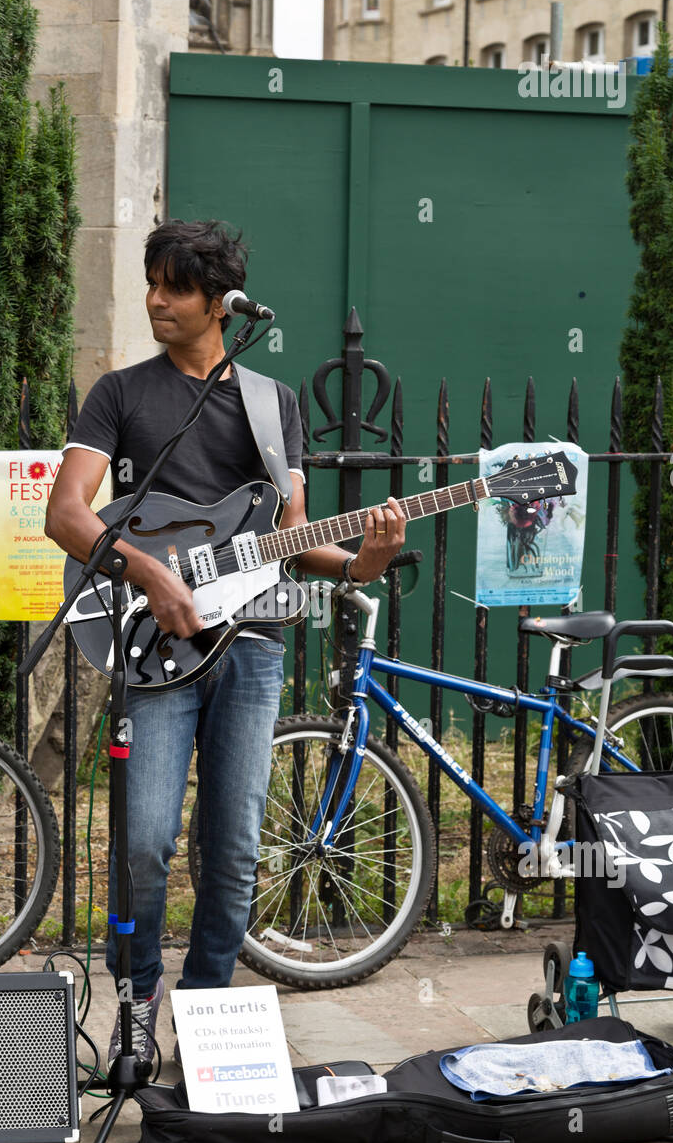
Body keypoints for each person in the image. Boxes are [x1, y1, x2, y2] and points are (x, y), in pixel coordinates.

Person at [45, 218, 405, 1064]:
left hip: (255, 643)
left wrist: (364, 560)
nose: (155, 300)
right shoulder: (120, 394)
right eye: (152, 282)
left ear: (220, 303)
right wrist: (149, 575)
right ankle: (136, 1010)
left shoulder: (273, 403)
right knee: (143, 841)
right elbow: (67, 513)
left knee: (235, 845)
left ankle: (205, 1021)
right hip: (157, 644)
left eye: (173, 288)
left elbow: (292, 536)